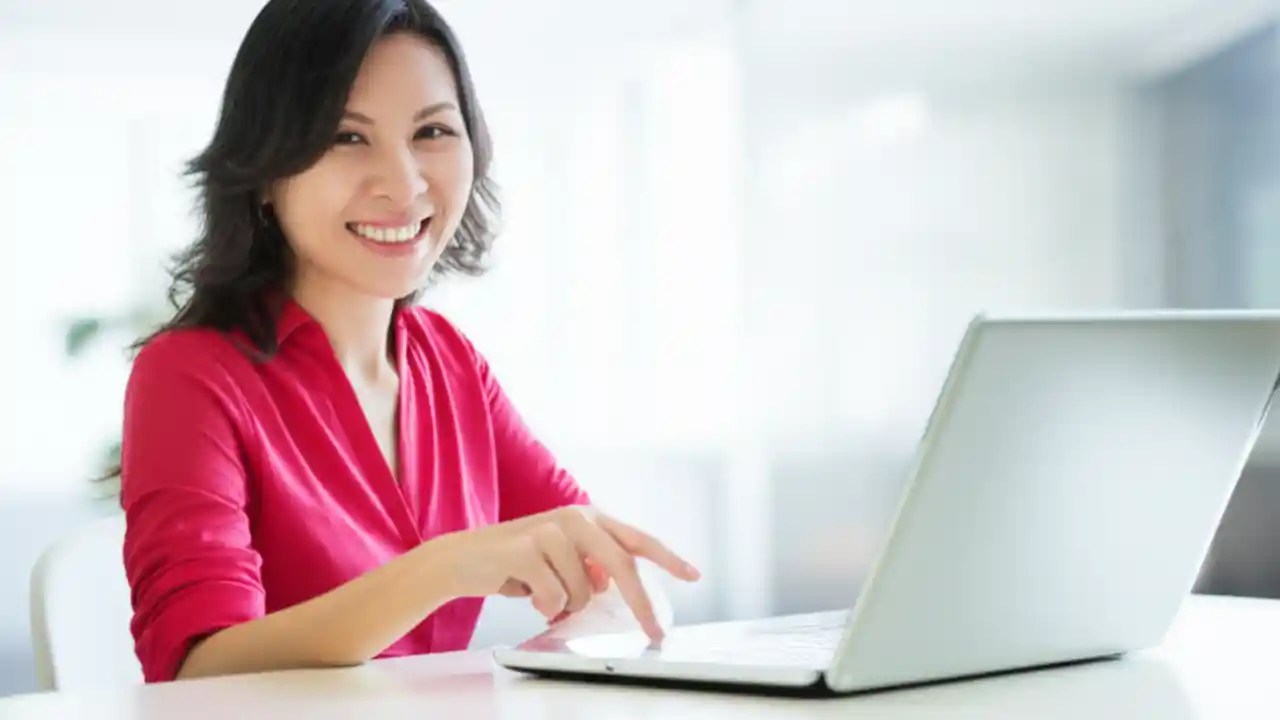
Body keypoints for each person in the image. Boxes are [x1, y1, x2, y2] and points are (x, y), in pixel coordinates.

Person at [120, 0, 700, 684]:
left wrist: (605, 600)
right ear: (266, 171)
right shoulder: (189, 375)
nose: (403, 184)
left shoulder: (449, 362)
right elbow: (199, 668)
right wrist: (446, 566)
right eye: (346, 137)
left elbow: (593, 564)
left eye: (431, 131)